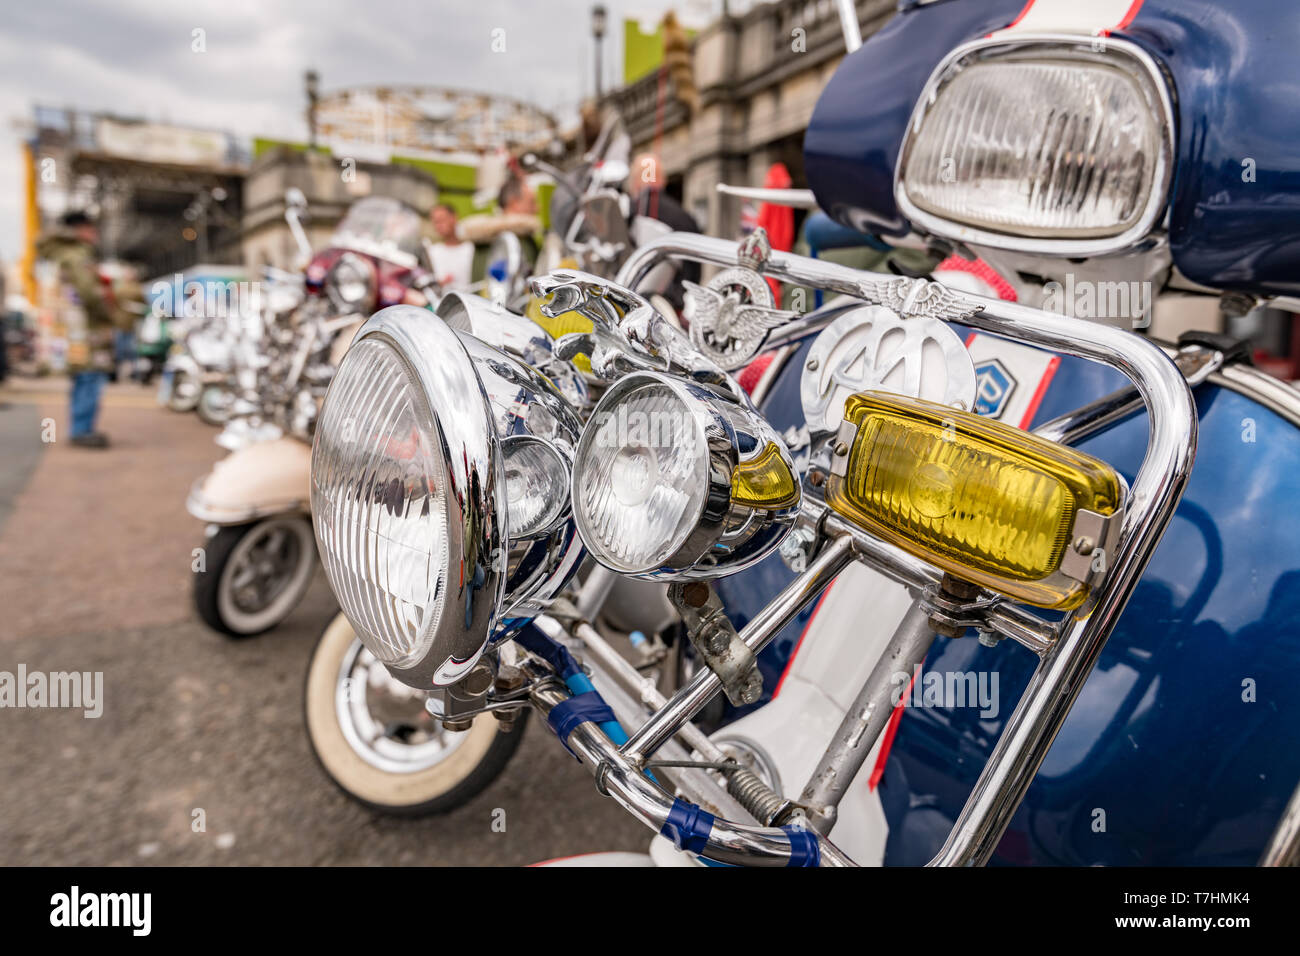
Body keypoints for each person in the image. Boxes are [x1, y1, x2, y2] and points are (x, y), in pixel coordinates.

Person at [36, 211, 129, 449]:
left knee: (82, 378)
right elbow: (90, 293)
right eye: (91, 229)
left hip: (70, 327)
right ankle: (82, 430)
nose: (95, 234)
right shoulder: (78, 255)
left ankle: (79, 427)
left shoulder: (58, 253)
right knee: (90, 376)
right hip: (85, 328)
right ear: (80, 230)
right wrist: (108, 314)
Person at [426, 202, 474, 291]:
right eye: (435, 222)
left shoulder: (470, 249)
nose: (439, 225)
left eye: (442, 220)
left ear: (454, 218)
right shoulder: (432, 251)